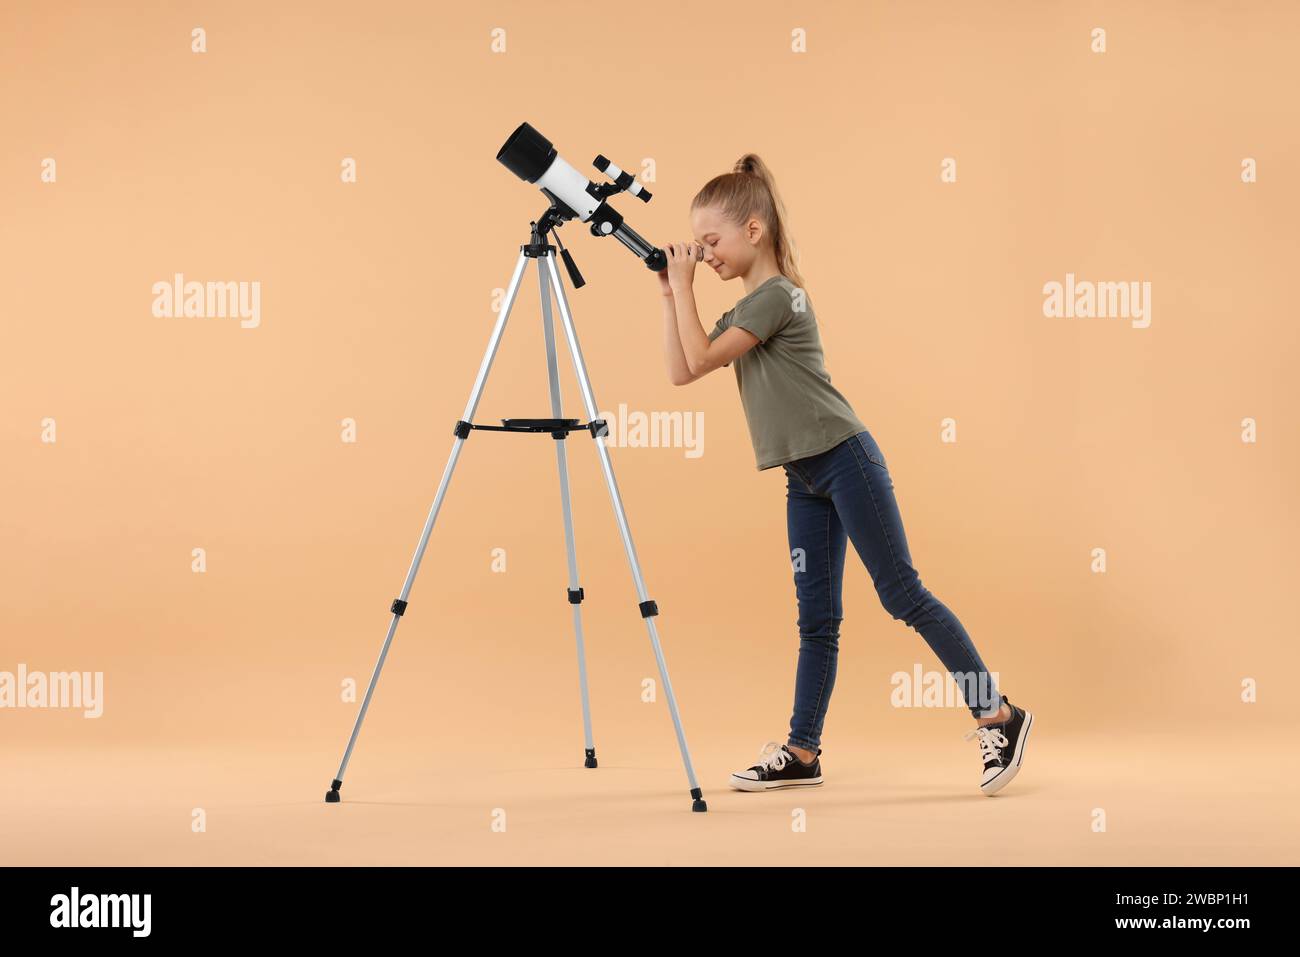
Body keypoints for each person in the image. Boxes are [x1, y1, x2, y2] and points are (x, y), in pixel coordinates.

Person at [656, 153, 1033, 796]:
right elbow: (683, 369)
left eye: (711, 240)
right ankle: (803, 752)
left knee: (902, 594)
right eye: (699, 244)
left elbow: (698, 355)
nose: (703, 253)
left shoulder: (776, 297)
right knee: (816, 620)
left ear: (754, 230)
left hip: (844, 459)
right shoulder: (747, 307)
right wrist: (671, 293)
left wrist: (684, 286)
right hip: (802, 476)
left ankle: (998, 713)